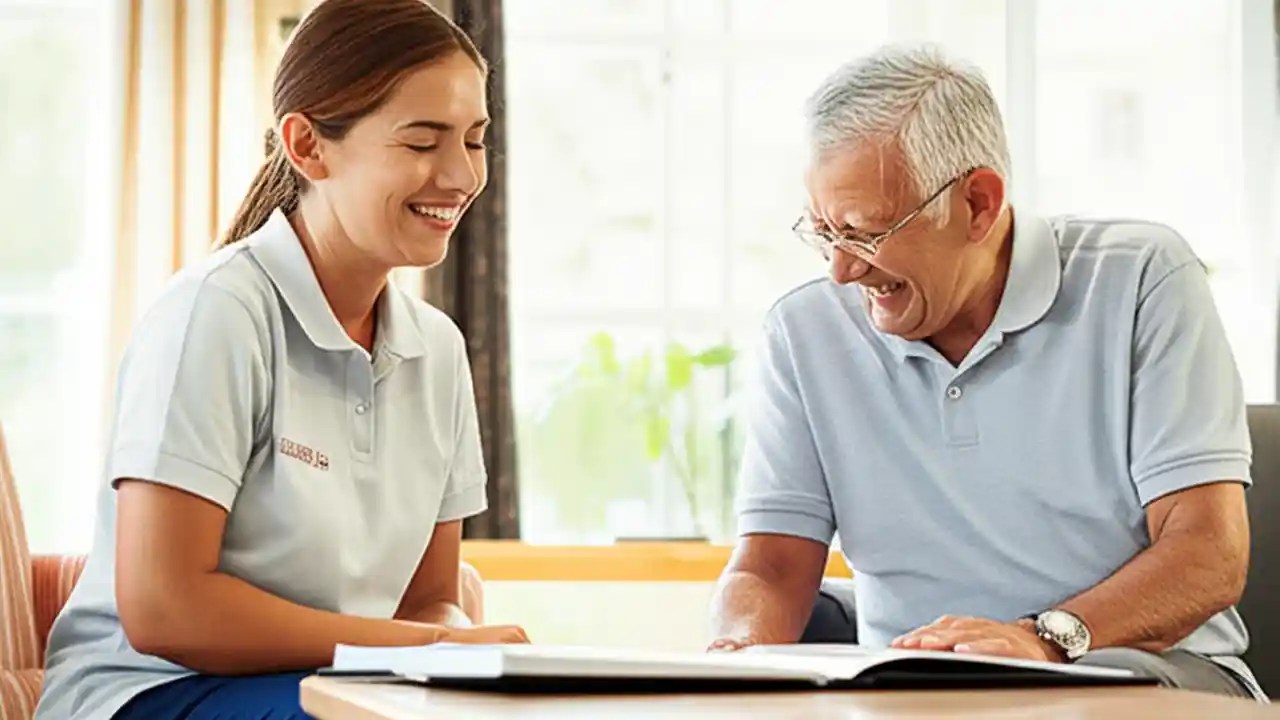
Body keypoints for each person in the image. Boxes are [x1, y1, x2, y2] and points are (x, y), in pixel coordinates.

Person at [708, 44, 1264, 700]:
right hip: (918, 693)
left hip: (1148, 671)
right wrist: (729, 661)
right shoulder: (804, 332)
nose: (841, 269)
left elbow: (1208, 554)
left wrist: (1044, 639)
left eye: (864, 233)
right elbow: (771, 567)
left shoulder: (1141, 279)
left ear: (977, 203)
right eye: (824, 231)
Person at [36, 1, 528, 718]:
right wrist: (409, 652)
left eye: (475, 141)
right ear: (307, 145)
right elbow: (165, 609)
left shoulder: (439, 351)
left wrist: (465, 656)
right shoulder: (218, 313)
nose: (459, 175)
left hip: (332, 687)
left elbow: (429, 600)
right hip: (151, 692)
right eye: (423, 141)